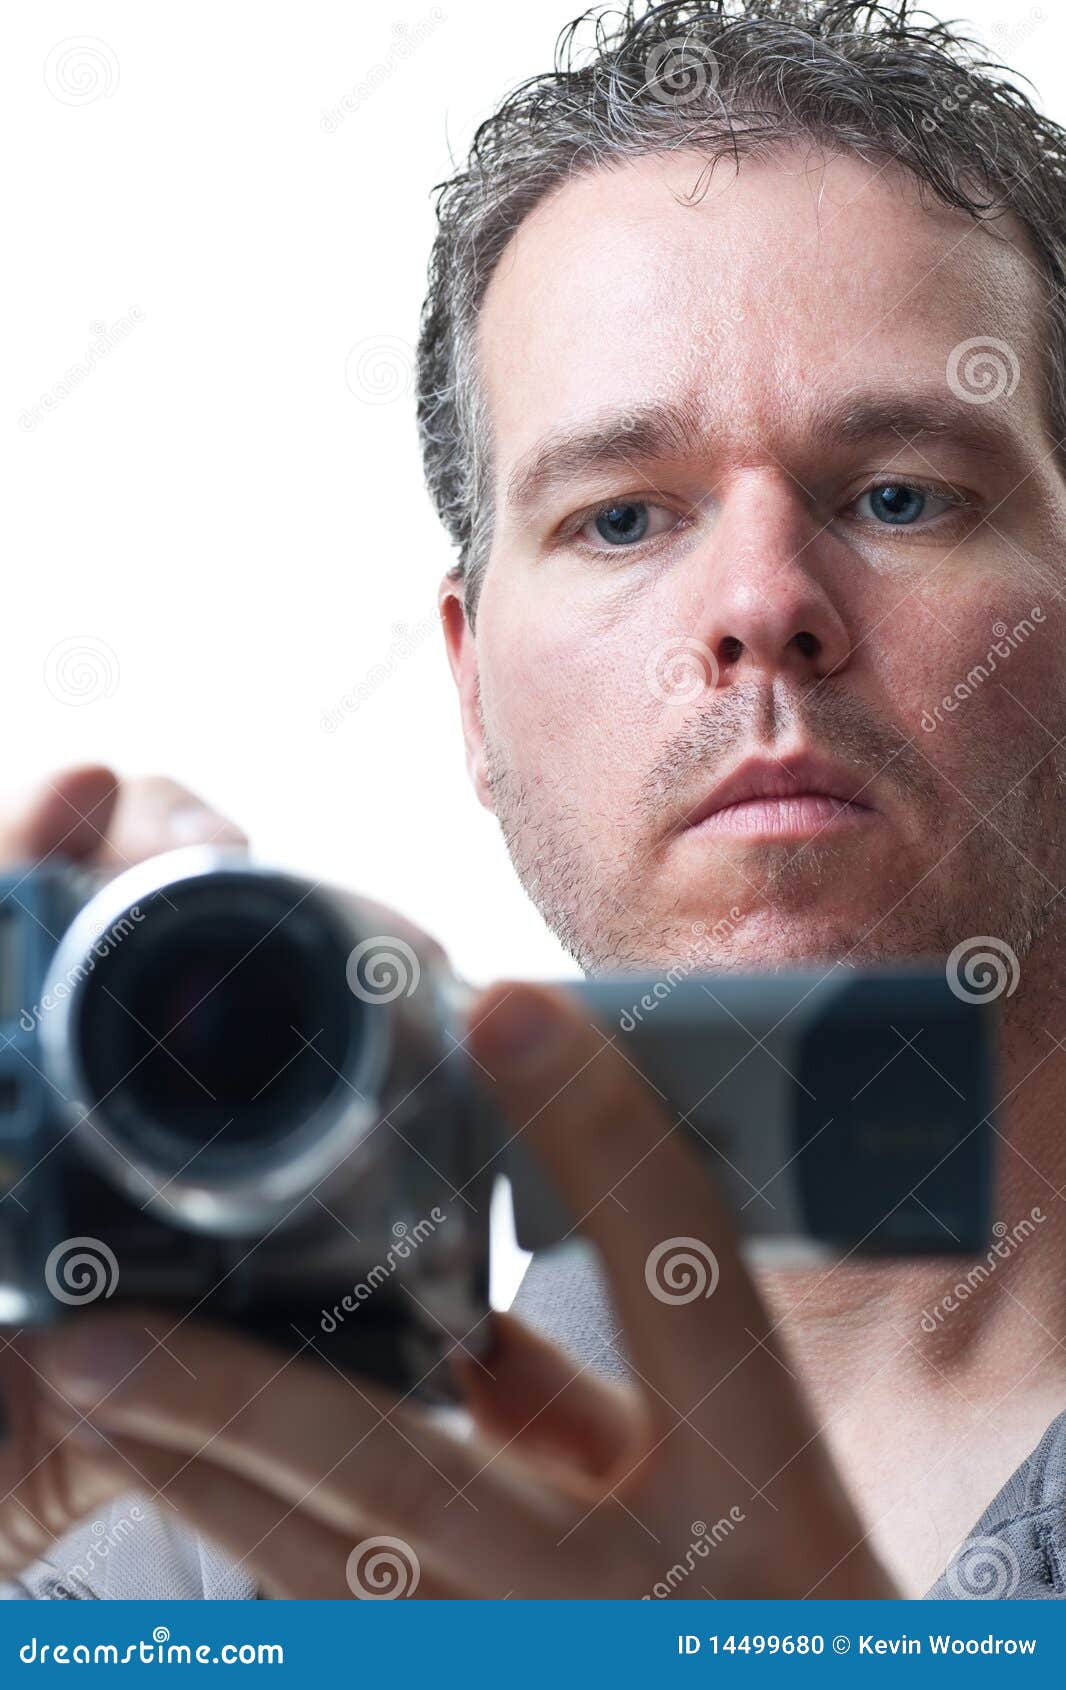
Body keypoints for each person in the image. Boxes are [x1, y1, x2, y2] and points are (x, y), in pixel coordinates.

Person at [3, 0, 1066, 1600]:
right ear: (471, 690)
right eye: (624, 517)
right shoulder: (149, 1549)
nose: (762, 600)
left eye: (900, 493)